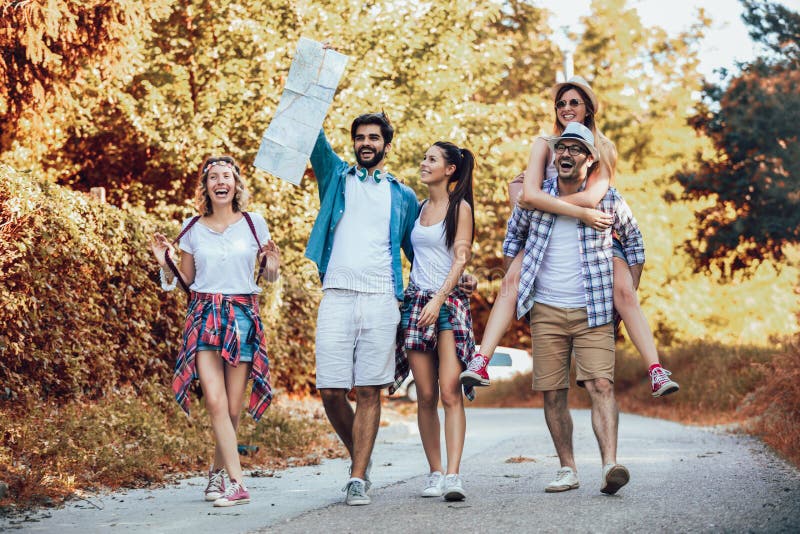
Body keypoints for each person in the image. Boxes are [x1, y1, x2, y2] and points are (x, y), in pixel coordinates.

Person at [460, 75, 679, 398]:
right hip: (549, 234)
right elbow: (536, 201)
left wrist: (535, 201)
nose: (566, 108)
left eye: (574, 102)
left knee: (625, 291)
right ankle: (480, 361)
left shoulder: (603, 148)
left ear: (589, 107)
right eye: (561, 103)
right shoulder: (543, 145)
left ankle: (656, 371)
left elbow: (591, 198)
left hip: (594, 235)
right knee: (510, 282)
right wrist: (554, 206)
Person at [504, 121, 641, 494]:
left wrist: (625, 294)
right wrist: (520, 290)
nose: (566, 154)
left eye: (575, 149)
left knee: (601, 384)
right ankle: (568, 468)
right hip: (546, 309)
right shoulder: (534, 198)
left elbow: (635, 244)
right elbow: (511, 241)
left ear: (590, 159)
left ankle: (610, 464)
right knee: (553, 392)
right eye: (561, 148)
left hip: (594, 309)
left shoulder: (607, 197)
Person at [150, 156, 281, 507]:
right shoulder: (192, 227)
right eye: (213, 177)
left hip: (241, 316)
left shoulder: (255, 224)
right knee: (215, 401)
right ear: (206, 187)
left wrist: (272, 265)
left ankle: (217, 472)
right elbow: (186, 281)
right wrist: (166, 263)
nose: (220, 182)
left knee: (233, 409)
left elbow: (268, 277)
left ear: (236, 184)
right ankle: (238, 483)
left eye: (227, 176)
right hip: (205, 314)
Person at [306, 112, 419, 506]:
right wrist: (315, 71)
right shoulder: (336, 177)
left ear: (387, 146)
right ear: (353, 143)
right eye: (360, 137)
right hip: (337, 293)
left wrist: (458, 274)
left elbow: (418, 249)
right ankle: (362, 456)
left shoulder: (402, 196)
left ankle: (357, 478)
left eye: (374, 137)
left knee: (370, 388)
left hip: (382, 297)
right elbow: (312, 135)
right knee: (331, 390)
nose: (366, 143)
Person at [398, 142, 476, 501]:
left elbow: (460, 258)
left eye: (432, 159)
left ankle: (454, 475)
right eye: (424, 156)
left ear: (449, 170)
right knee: (425, 395)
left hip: (448, 304)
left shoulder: (460, 208)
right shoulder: (415, 209)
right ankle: (434, 472)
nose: (423, 162)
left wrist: (440, 298)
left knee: (449, 391)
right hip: (416, 302)